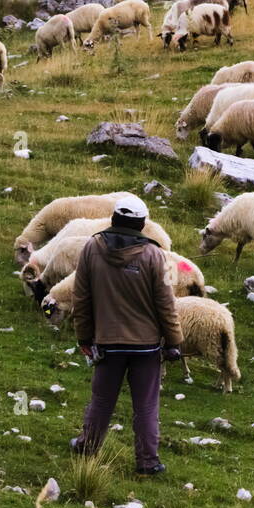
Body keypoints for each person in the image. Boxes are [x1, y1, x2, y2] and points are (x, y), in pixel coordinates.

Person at [70, 194, 183, 476]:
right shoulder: (154, 255)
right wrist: (174, 341)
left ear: (113, 219)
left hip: (107, 342)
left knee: (102, 400)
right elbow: (166, 304)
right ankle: (147, 461)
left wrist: (84, 338)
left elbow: (81, 298)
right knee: (145, 405)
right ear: (142, 223)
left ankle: (87, 446)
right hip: (145, 346)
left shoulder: (92, 249)